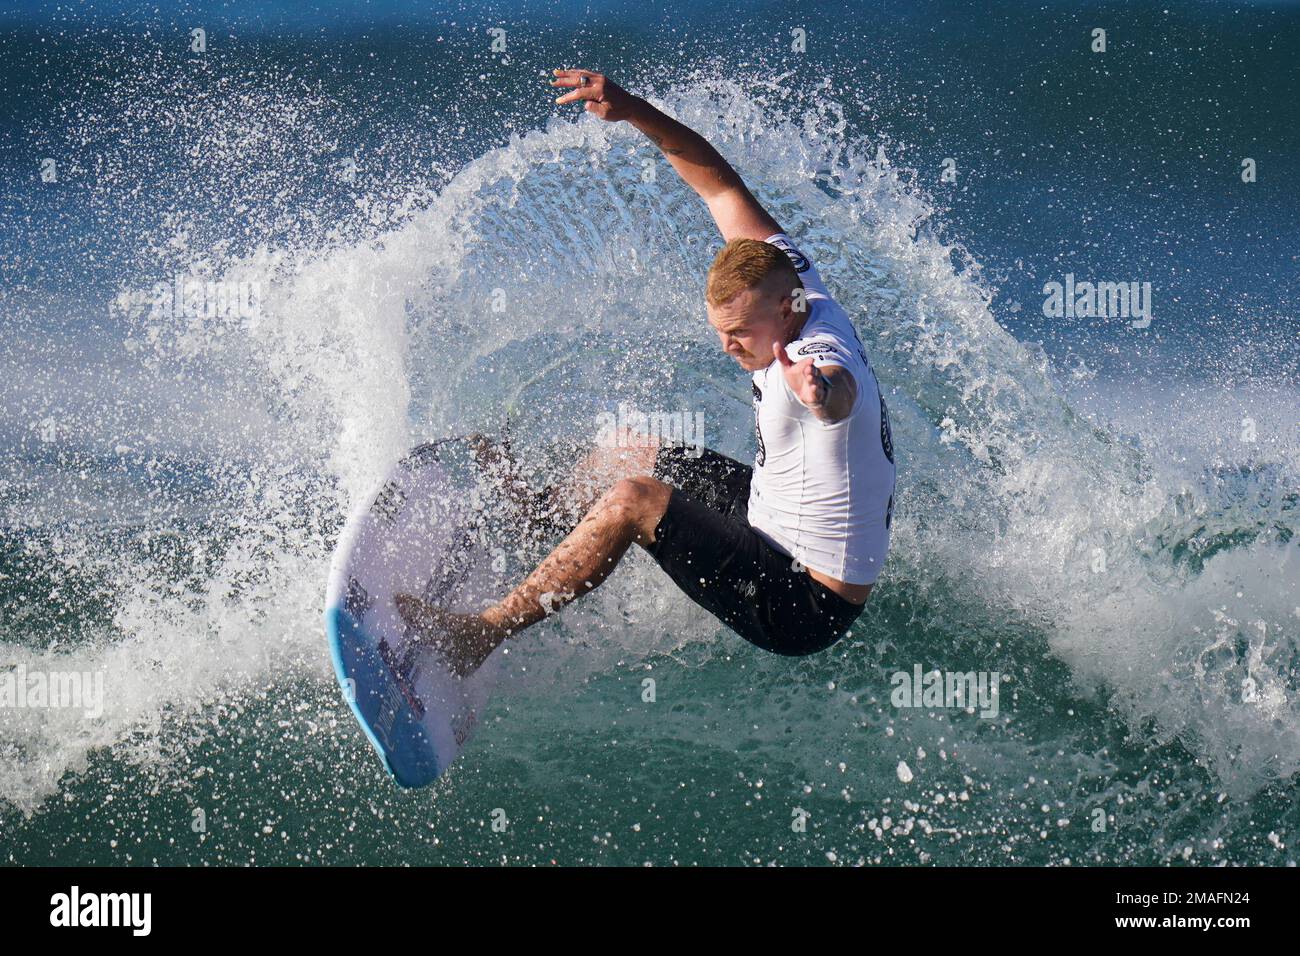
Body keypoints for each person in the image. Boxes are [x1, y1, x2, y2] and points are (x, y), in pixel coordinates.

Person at [398, 69, 896, 676]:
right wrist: (633, 110)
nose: (728, 346)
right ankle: (539, 516)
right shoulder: (788, 278)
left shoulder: (818, 358)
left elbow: (841, 395)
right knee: (628, 452)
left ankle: (480, 634)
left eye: (739, 335)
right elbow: (718, 186)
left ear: (784, 313)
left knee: (635, 500)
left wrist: (819, 397)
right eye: (719, 331)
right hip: (773, 516)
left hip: (804, 600)